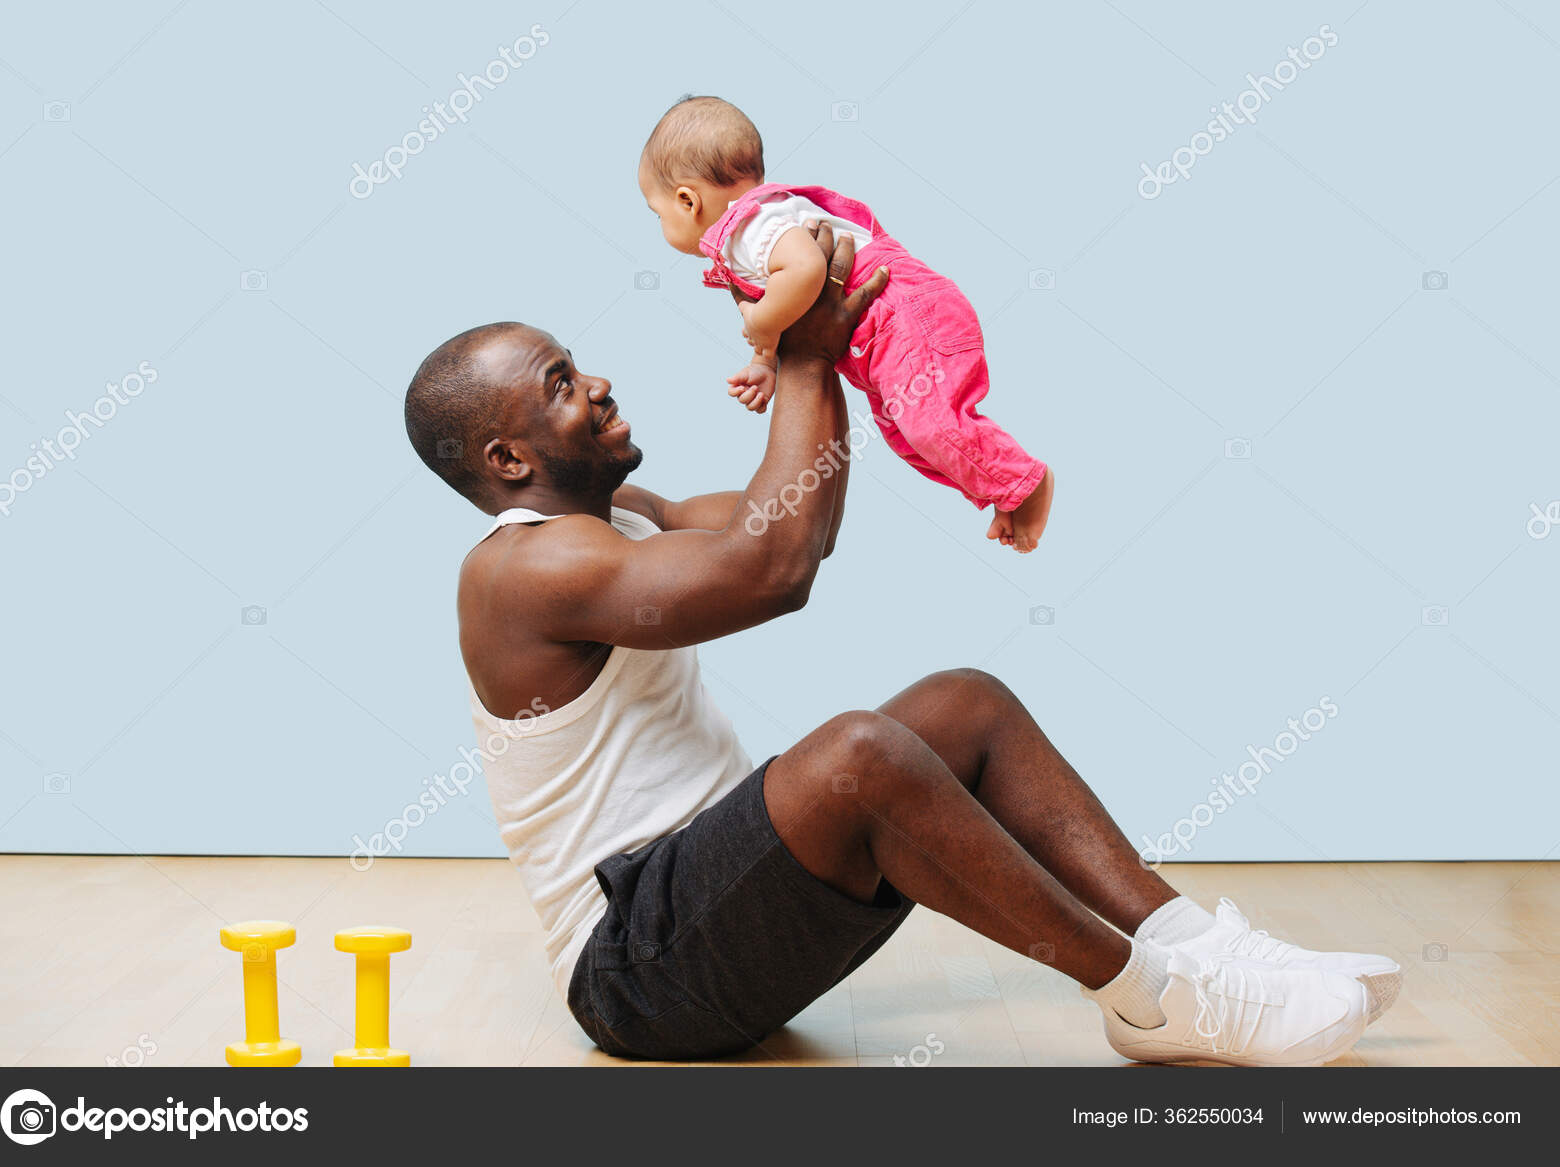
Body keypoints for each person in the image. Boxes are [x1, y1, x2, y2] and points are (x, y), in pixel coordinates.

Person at [402, 224, 1399, 1065]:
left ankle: (1197, 952)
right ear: (506, 457)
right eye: (563, 381)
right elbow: (771, 570)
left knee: (965, 702)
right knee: (853, 755)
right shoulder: (521, 573)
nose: (602, 382)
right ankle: (1153, 999)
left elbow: (794, 523)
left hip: (723, 908)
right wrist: (797, 348)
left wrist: (827, 343)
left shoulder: (617, 515)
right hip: (636, 970)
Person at [639, 94, 1051, 551]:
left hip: (906, 318)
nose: (660, 226)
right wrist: (766, 360)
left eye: (657, 215)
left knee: (930, 426)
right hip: (888, 338)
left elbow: (805, 271)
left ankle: (1025, 483)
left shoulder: (748, 226)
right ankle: (1002, 491)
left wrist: (760, 321)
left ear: (687, 200)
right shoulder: (762, 221)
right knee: (906, 433)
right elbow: (792, 303)